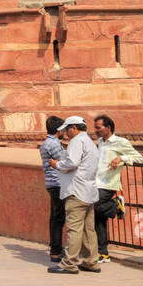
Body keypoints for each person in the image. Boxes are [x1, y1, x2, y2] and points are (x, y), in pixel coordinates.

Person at [47, 116, 101, 274]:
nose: (65, 132)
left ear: (74, 128)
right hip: (88, 190)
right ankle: (91, 261)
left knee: (74, 229)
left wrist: (57, 165)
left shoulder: (77, 141)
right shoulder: (90, 142)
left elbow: (72, 162)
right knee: (88, 230)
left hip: (76, 190)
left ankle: (70, 263)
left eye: (67, 129)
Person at [93, 115, 143, 262]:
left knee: (94, 207)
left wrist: (122, 158)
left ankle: (115, 205)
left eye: (98, 127)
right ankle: (103, 253)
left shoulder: (121, 142)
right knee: (98, 219)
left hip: (109, 184)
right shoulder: (100, 142)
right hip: (97, 182)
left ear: (108, 127)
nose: (95, 130)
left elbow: (140, 158)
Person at [39, 116, 67, 262]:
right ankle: (56, 251)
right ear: (59, 129)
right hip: (57, 183)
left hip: (51, 183)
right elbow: (65, 162)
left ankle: (55, 248)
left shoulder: (46, 143)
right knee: (58, 218)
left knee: (55, 217)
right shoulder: (54, 144)